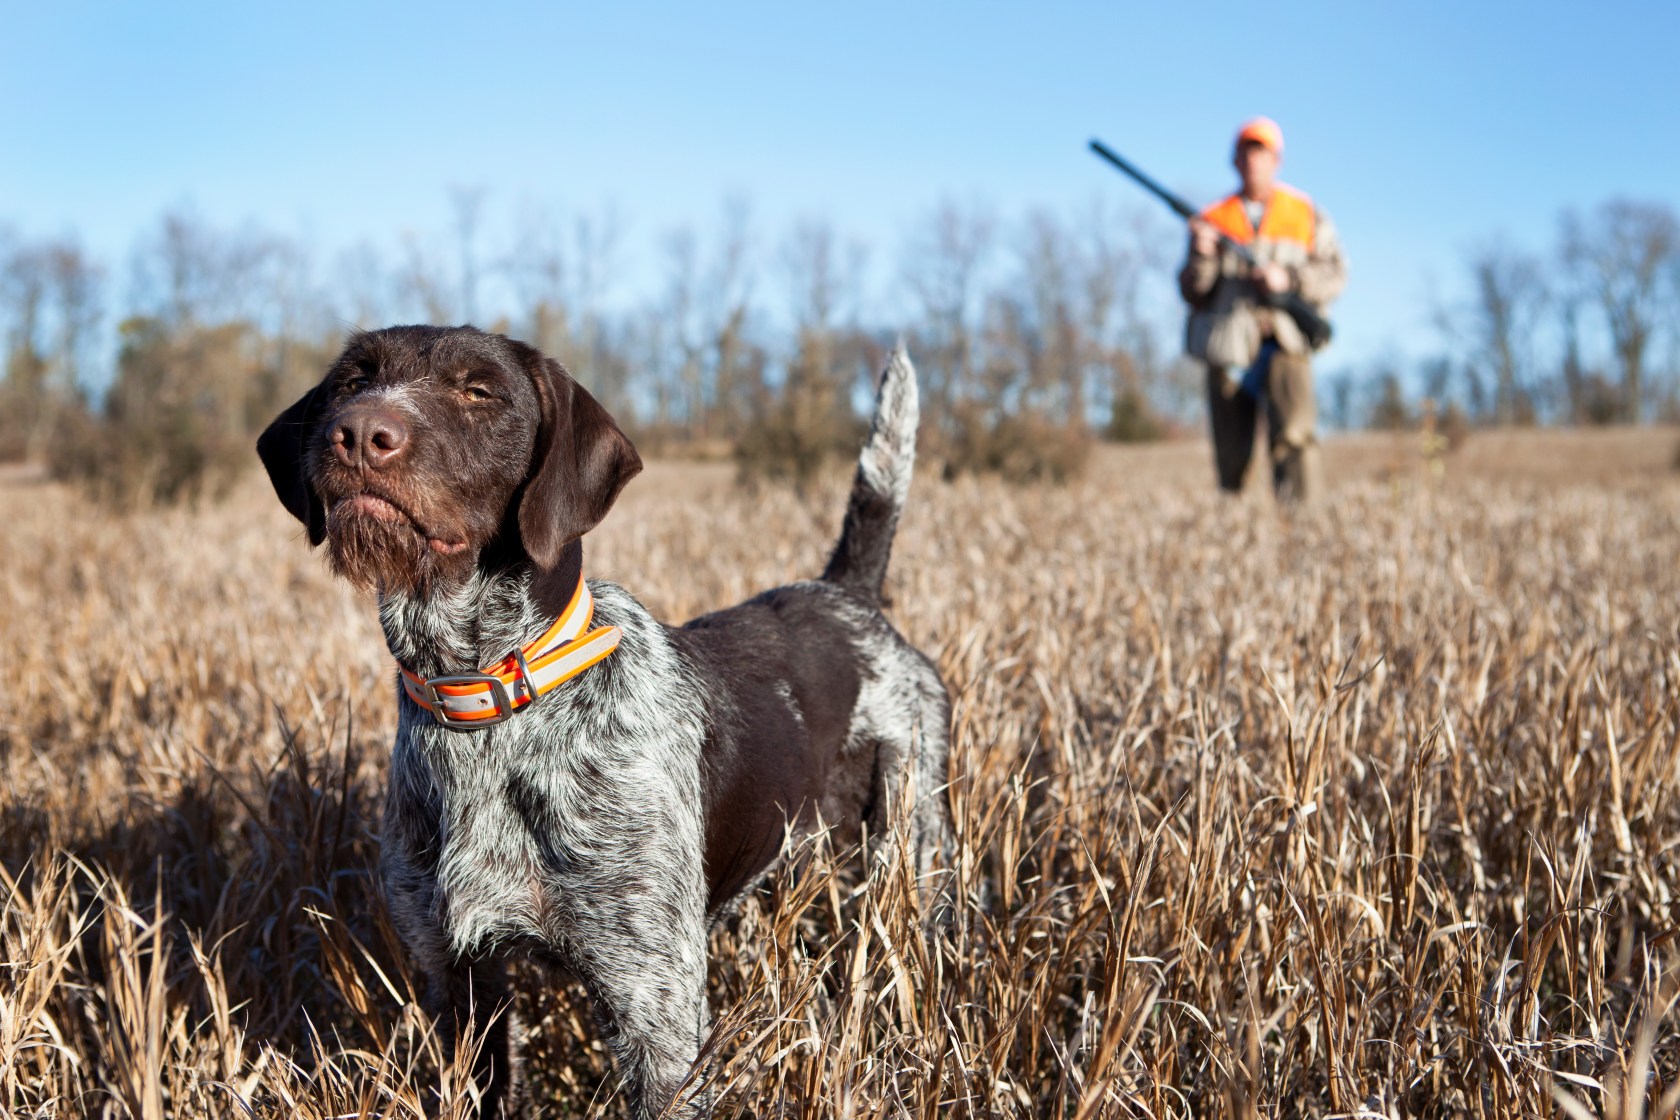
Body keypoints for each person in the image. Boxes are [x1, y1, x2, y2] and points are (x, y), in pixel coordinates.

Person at [1179, 117, 1346, 502]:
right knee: (1230, 452)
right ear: (1234, 161)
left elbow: (1336, 274)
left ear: (1277, 160)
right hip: (1229, 347)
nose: (1253, 161)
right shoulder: (1214, 217)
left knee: (1295, 440)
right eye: (1246, 152)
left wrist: (1288, 279)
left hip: (1285, 343)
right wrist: (1202, 257)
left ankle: (1302, 533)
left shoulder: (1305, 213)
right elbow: (1192, 292)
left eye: (1261, 153)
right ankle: (1234, 536)